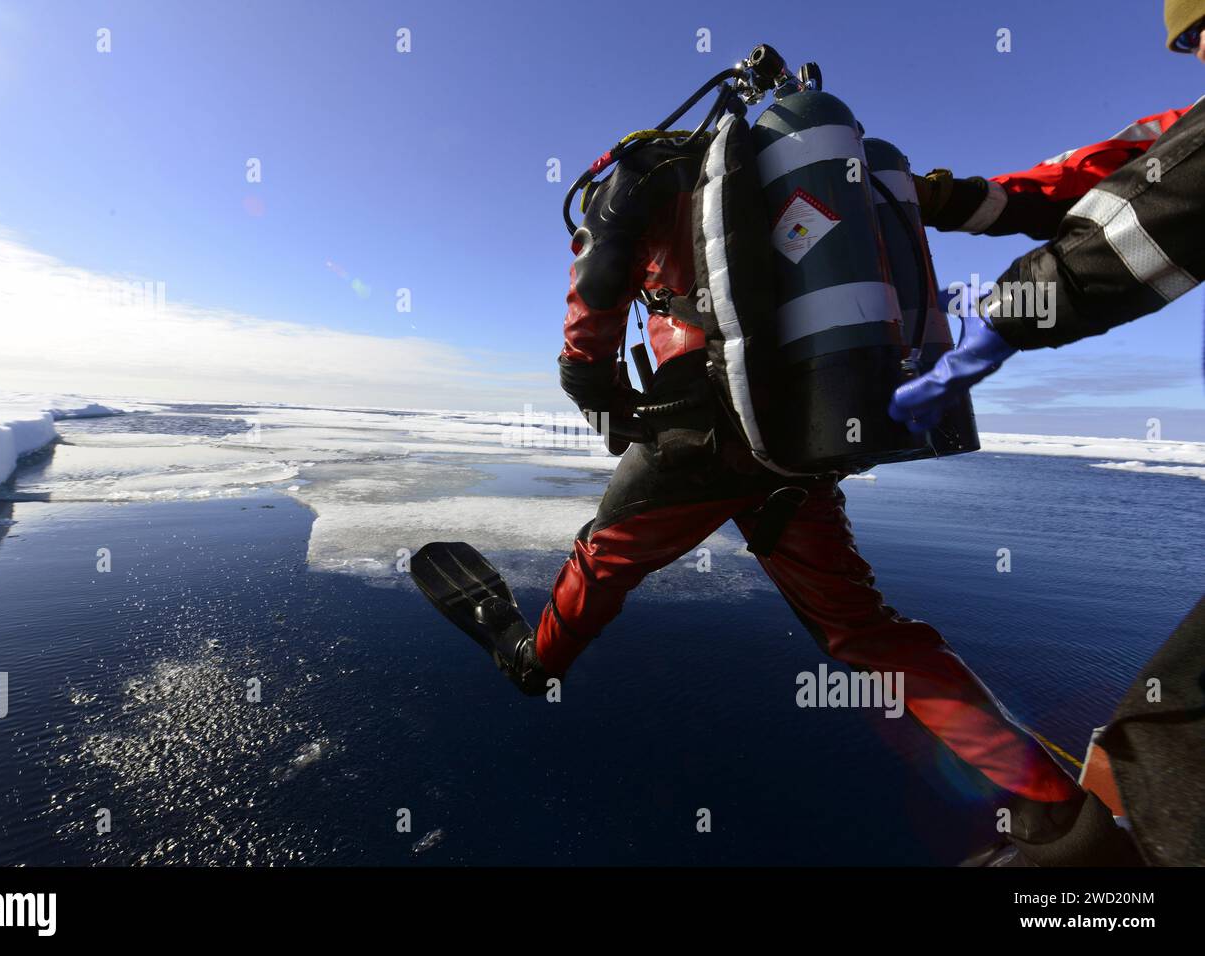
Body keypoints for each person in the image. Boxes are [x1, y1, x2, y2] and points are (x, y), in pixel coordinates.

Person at [486, 119, 1139, 865]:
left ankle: (538, 662)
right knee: (863, 628)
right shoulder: (792, 177)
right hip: (801, 428)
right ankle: (1057, 815)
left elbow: (597, 284)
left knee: (603, 560)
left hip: (698, 429)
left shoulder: (643, 173)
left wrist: (593, 386)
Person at [890, 0, 1205, 865]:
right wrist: (931, 198)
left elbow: (1141, 224)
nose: (1201, 49)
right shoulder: (1179, 128)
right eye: (1189, 40)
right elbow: (1094, 178)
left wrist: (991, 330)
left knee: (1174, 719)